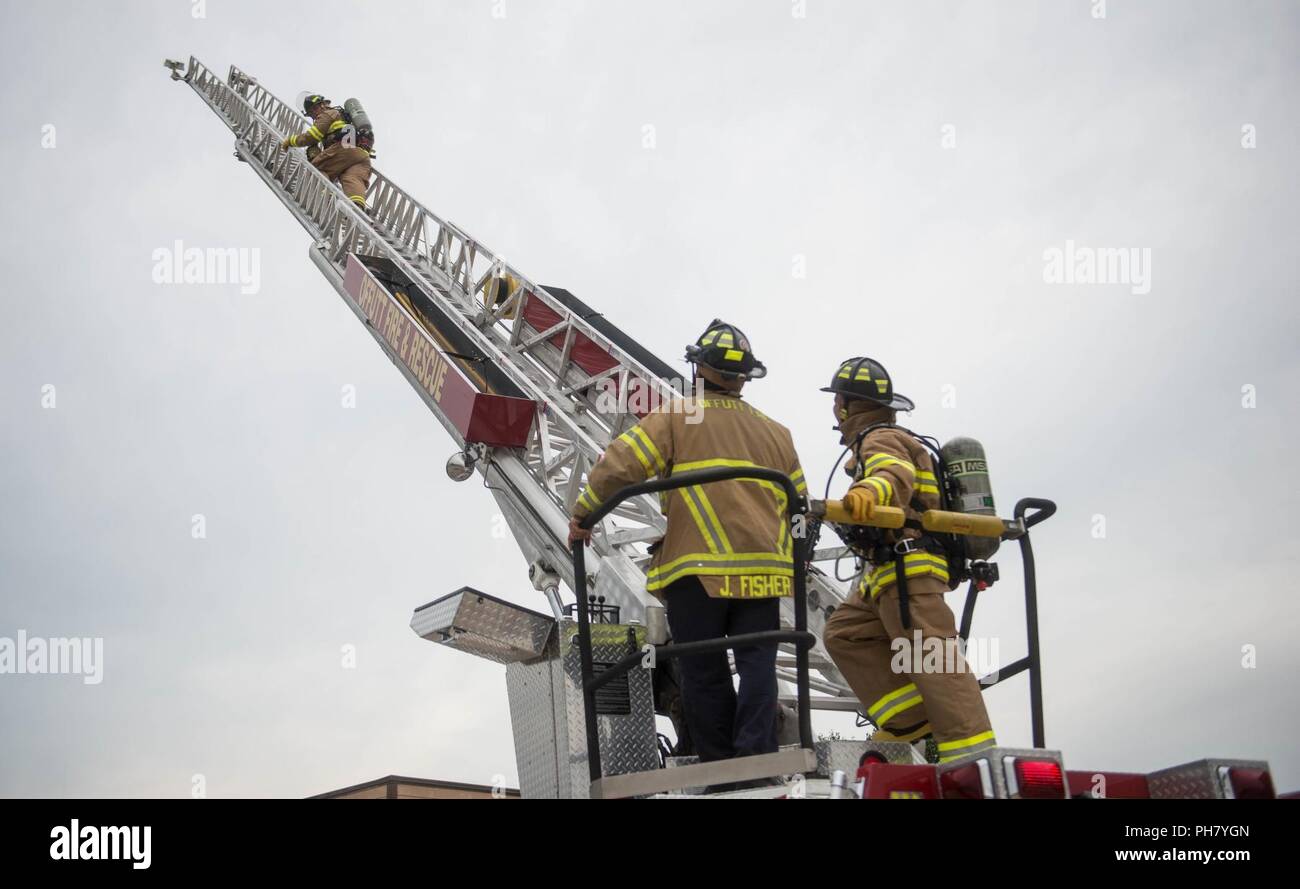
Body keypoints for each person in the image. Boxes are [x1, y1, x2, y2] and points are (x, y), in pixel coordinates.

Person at [569, 320, 806, 764]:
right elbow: (800, 508)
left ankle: (721, 765)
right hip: (764, 573)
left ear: (699, 369)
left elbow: (623, 463)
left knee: (702, 668)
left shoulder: (681, 415)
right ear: (743, 378)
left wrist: (583, 514)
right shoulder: (778, 433)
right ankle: (758, 757)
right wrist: (795, 560)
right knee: (758, 663)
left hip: (697, 572)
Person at [820, 356, 996, 763]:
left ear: (845, 404)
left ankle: (974, 759)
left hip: (909, 570)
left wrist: (869, 494)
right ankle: (911, 719)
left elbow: (892, 475)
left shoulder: (880, 438)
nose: (834, 410)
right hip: (883, 576)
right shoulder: (880, 436)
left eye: (836, 402)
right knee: (844, 633)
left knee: (933, 658)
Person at [280, 93, 373, 211]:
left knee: (316, 169)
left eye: (313, 111)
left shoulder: (327, 114)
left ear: (319, 106)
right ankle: (357, 208)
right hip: (361, 154)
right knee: (352, 178)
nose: (313, 116)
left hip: (342, 149)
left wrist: (291, 141)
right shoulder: (343, 116)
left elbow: (312, 136)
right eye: (311, 114)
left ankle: (328, 196)